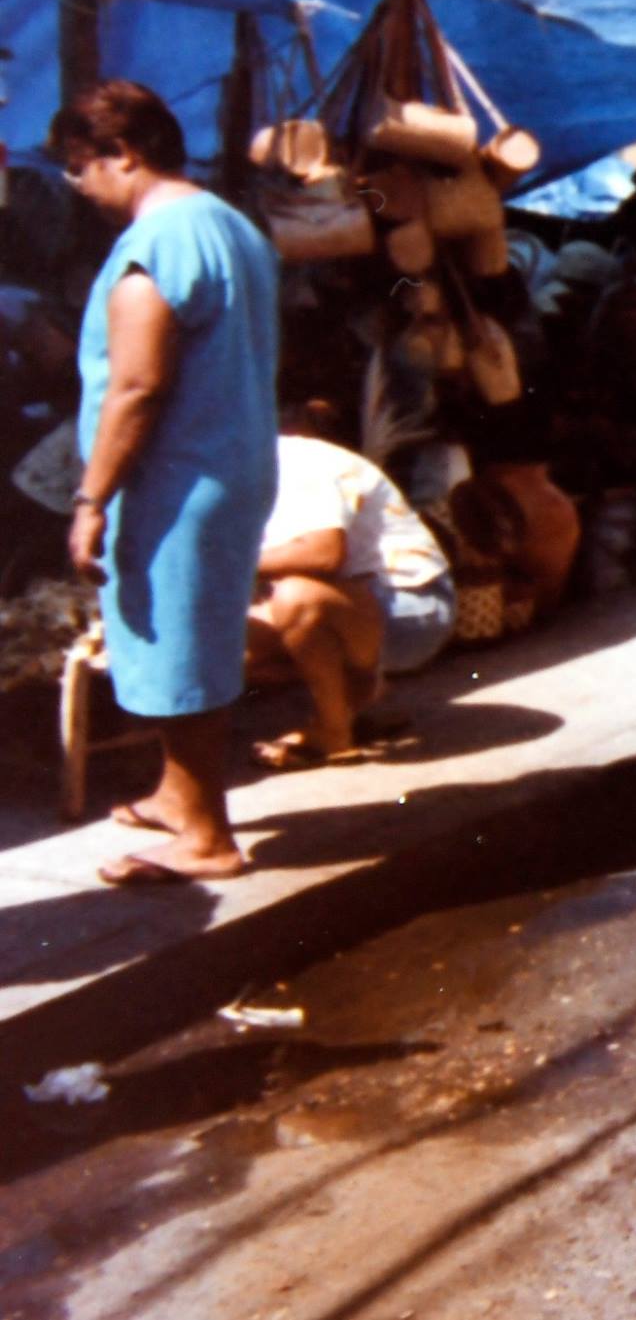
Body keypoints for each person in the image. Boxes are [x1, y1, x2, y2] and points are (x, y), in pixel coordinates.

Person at [55, 80, 280, 885]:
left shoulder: (162, 238)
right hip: (229, 461)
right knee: (194, 629)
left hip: (177, 475)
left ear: (125, 154)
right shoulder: (230, 224)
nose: (80, 187)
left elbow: (137, 383)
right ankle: (178, 794)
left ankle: (206, 837)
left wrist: (91, 499)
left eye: (83, 168)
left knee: (176, 638)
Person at [246, 424, 456, 769]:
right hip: (359, 604)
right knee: (228, 652)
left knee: (297, 599)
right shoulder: (246, 471)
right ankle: (363, 695)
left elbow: (323, 554)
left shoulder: (295, 462)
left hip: (414, 605)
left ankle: (333, 732)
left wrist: (225, 567)